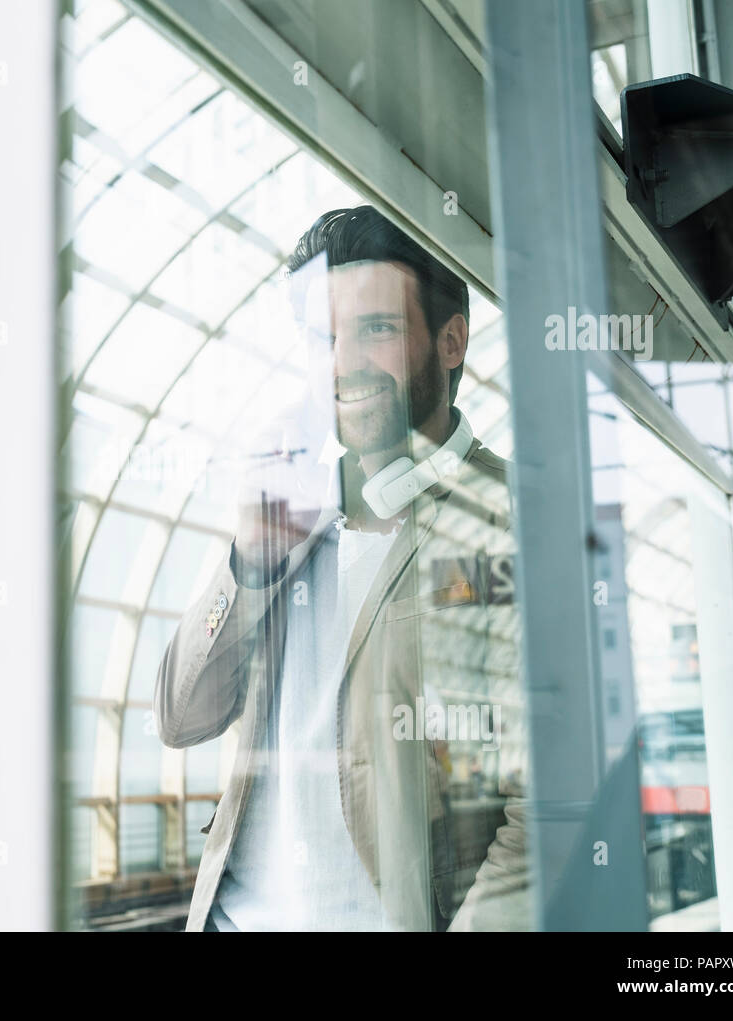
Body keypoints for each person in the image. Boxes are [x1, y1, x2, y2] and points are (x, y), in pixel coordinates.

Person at [155, 206, 530, 931]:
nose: (342, 362)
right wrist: (250, 565)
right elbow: (180, 717)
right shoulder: (291, 510)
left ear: (451, 341)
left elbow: (549, 811)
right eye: (323, 337)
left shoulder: (518, 522)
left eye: (376, 328)